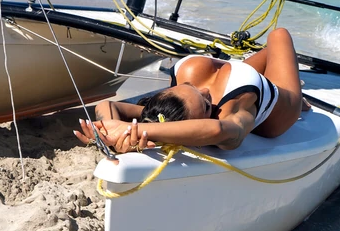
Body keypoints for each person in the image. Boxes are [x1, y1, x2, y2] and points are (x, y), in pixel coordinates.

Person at [75, 27, 308, 154]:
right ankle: (295, 91)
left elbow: (108, 107)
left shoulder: (178, 89)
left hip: (239, 75)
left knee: (278, 38)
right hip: (281, 108)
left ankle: (278, 73)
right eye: (207, 106)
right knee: (279, 36)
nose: (207, 92)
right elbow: (217, 129)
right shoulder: (233, 113)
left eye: (190, 88)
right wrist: (126, 135)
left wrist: (110, 130)